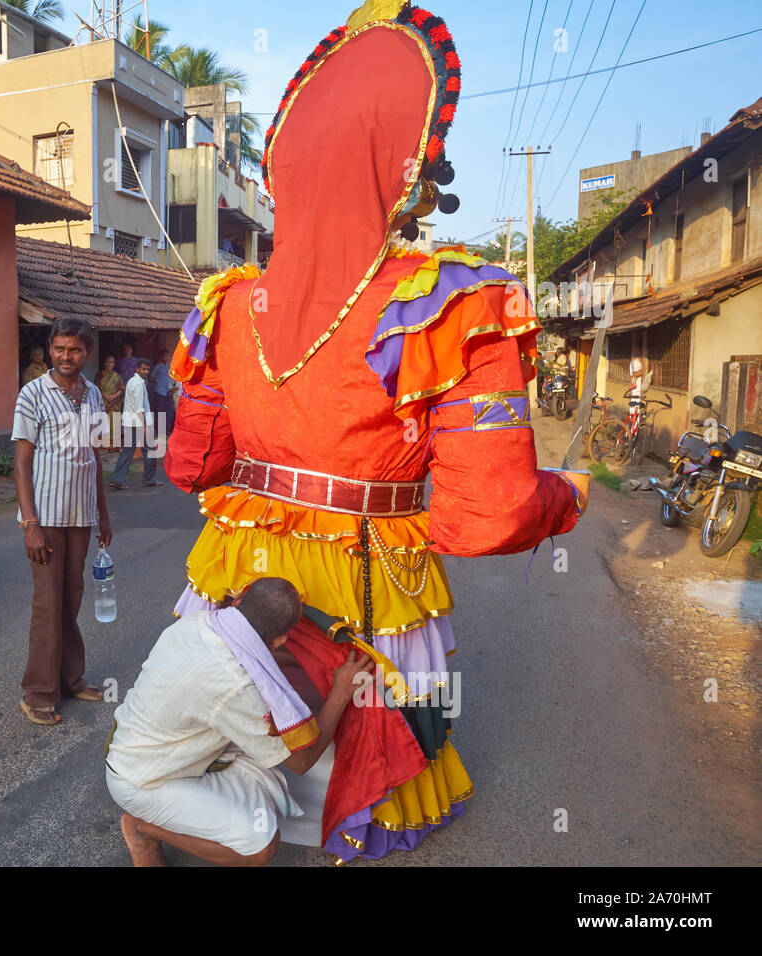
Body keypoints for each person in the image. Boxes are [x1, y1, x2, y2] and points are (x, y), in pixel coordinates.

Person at [164, 1, 591, 864]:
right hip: (370, 573)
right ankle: (344, 819)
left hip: (243, 561)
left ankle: (221, 811)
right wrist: (567, 499)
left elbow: (192, 463)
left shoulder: (226, 304)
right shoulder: (450, 302)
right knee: (360, 714)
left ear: (286, 166)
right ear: (410, 172)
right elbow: (486, 514)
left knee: (237, 707)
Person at [107, 577, 375, 866]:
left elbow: (259, 657)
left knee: (262, 779)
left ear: (238, 602)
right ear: (281, 639)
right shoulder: (236, 686)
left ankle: (179, 818)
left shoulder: (198, 622)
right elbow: (302, 761)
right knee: (259, 845)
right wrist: (340, 693)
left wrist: (315, 664)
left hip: (133, 753)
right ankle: (142, 829)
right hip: (146, 781)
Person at [12, 318, 113, 726]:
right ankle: (38, 692)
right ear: (50, 349)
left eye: (73, 350)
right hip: (46, 515)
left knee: (71, 599)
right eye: (59, 348)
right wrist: (30, 522)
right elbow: (22, 461)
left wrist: (103, 514)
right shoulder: (33, 393)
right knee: (48, 603)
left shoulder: (91, 396)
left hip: (81, 516)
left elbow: (93, 459)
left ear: (86, 353)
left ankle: (71, 679)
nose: (65, 356)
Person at [108, 359, 161, 489]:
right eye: (143, 369)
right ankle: (149, 479)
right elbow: (139, 408)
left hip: (129, 421)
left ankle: (117, 480)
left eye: (148, 369)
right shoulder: (138, 384)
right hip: (139, 422)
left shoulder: (132, 381)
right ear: (137, 369)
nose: (146, 372)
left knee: (127, 451)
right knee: (150, 451)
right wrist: (144, 427)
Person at [96, 355, 125, 452]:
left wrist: (114, 396)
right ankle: (104, 445)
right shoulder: (100, 375)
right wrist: (105, 395)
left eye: (111, 362)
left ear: (114, 364)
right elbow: (96, 388)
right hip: (103, 402)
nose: (109, 364)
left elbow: (121, 388)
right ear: (104, 363)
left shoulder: (117, 376)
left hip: (114, 403)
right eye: (107, 362)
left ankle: (114, 446)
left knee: (114, 422)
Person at [148, 349, 177, 436]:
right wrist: (158, 382)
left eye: (168, 356)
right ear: (161, 357)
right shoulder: (158, 366)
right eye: (164, 356)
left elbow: (172, 378)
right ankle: (158, 430)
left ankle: (167, 430)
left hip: (168, 391)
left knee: (169, 412)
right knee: (160, 412)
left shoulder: (169, 366)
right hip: (160, 392)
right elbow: (151, 378)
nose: (166, 357)